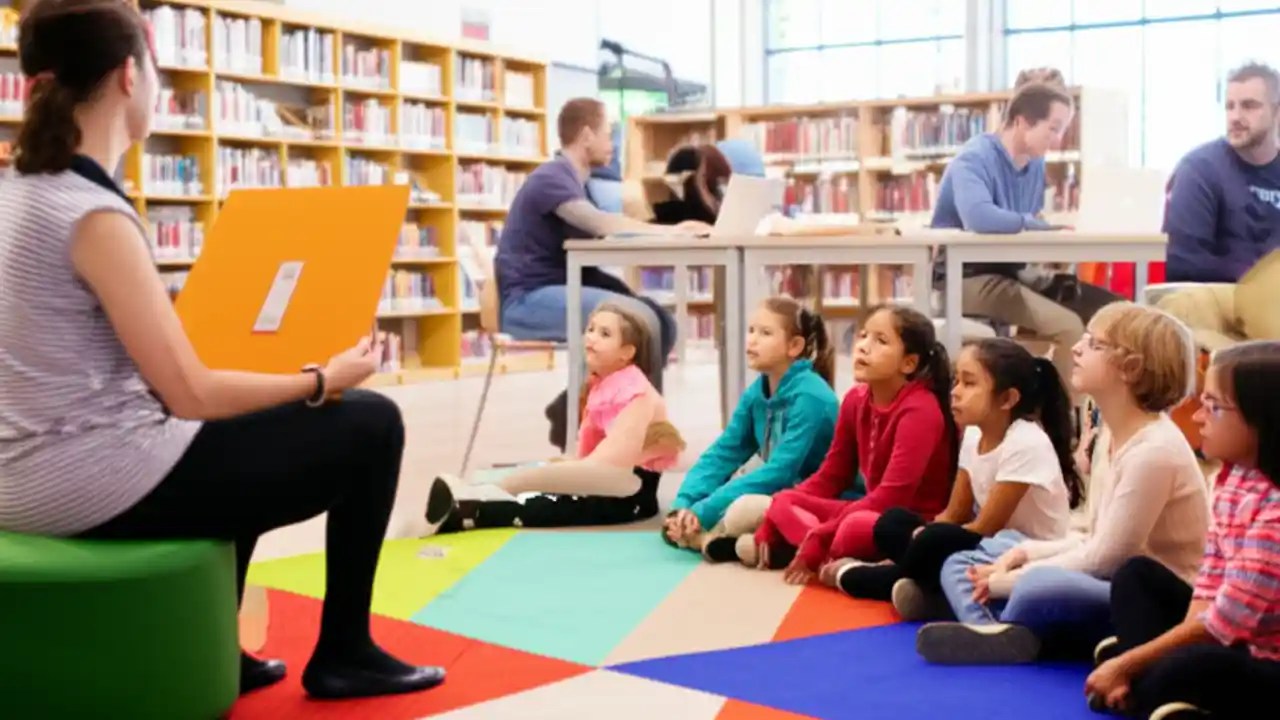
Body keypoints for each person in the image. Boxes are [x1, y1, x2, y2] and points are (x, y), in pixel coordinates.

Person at [0, 0, 441, 700]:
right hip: (87, 481)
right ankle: (346, 652)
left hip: (20, 476)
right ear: (126, 76)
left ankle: (219, 647)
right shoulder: (93, 214)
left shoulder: (18, 190)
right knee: (370, 423)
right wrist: (322, 378)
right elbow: (192, 396)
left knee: (243, 435)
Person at [917, 303, 1209, 665]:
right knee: (971, 558)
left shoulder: (1154, 451)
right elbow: (1093, 534)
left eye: (1094, 343)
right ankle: (997, 629)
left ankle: (990, 614)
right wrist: (1020, 556)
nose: (1076, 348)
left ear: (1131, 369)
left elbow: (1109, 558)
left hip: (1150, 594)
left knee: (1035, 588)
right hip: (1107, 572)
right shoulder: (1110, 436)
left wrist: (1013, 577)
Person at [1085, 341, 1280, 720]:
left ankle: (1141, 681)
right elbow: (1208, 587)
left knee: (1192, 666)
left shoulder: (1274, 511)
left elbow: (1223, 625)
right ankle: (1152, 687)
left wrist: (1127, 663)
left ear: (1263, 419)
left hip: (1266, 657)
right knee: (1136, 576)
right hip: (1232, 640)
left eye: (1214, 407)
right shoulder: (1233, 479)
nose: (1198, 418)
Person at [495, 98, 706, 445]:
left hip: (561, 285)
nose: (612, 144)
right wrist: (670, 231)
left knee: (660, 321)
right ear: (586, 135)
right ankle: (626, 433)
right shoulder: (553, 176)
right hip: (528, 299)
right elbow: (597, 222)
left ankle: (586, 410)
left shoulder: (578, 180)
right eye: (608, 134)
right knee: (638, 319)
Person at [703, 305, 958, 584]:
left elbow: (891, 499)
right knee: (784, 499)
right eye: (863, 336)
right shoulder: (855, 399)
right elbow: (830, 476)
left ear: (908, 363)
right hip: (865, 508)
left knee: (854, 526)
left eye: (880, 341)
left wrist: (821, 533)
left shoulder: (920, 411)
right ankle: (812, 553)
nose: (863, 347)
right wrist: (779, 510)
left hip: (901, 523)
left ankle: (807, 551)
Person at [831, 338, 1081, 621]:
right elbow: (955, 513)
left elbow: (986, 527)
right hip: (987, 545)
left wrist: (925, 542)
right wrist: (921, 537)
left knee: (938, 539)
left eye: (969, 383)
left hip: (1022, 551)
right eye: (956, 381)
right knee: (894, 523)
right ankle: (923, 586)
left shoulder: (1026, 441)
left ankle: (874, 578)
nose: (955, 392)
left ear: (1007, 399)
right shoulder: (974, 432)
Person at [930, 81, 1121, 393]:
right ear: (1021, 122)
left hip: (1011, 272)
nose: (1058, 140)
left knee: (1108, 312)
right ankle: (1067, 429)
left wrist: (1037, 227)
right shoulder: (973, 159)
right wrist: (1036, 226)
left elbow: (1023, 224)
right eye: (1054, 128)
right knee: (1068, 326)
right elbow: (980, 217)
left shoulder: (1034, 166)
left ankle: (1099, 413)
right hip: (963, 278)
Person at [425, 303, 684, 531]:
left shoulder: (636, 393)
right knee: (543, 483)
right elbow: (589, 451)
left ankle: (476, 503)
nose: (591, 338)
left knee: (539, 492)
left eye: (604, 334)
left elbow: (610, 464)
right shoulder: (603, 385)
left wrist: (561, 473)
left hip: (631, 489)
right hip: (613, 475)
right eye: (591, 329)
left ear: (626, 352)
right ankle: (474, 503)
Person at [663, 297, 838, 552]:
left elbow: (781, 471)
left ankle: (724, 540)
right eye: (751, 330)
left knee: (741, 511)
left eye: (765, 333)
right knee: (728, 505)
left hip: (823, 500)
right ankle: (721, 539)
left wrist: (704, 510)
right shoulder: (757, 392)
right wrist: (684, 504)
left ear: (794, 346)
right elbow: (723, 452)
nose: (752, 340)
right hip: (783, 493)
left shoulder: (812, 396)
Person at [1162, 62, 1280, 286]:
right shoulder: (1199, 169)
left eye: (1249, 106)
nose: (1235, 116)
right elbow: (1183, 261)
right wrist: (1257, 277)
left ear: (1277, 113)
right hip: (1222, 295)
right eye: (1230, 106)